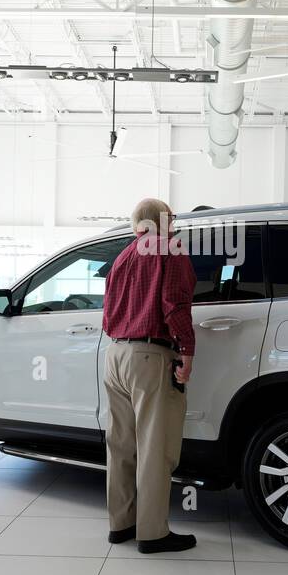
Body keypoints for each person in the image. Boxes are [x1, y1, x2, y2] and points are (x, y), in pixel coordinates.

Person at [101, 198, 197, 554]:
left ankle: (120, 524)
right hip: (151, 355)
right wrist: (187, 352)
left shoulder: (122, 257)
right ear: (164, 219)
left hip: (115, 355)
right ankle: (153, 533)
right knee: (155, 448)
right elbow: (175, 303)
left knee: (121, 446)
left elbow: (108, 312)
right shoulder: (169, 248)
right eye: (173, 217)